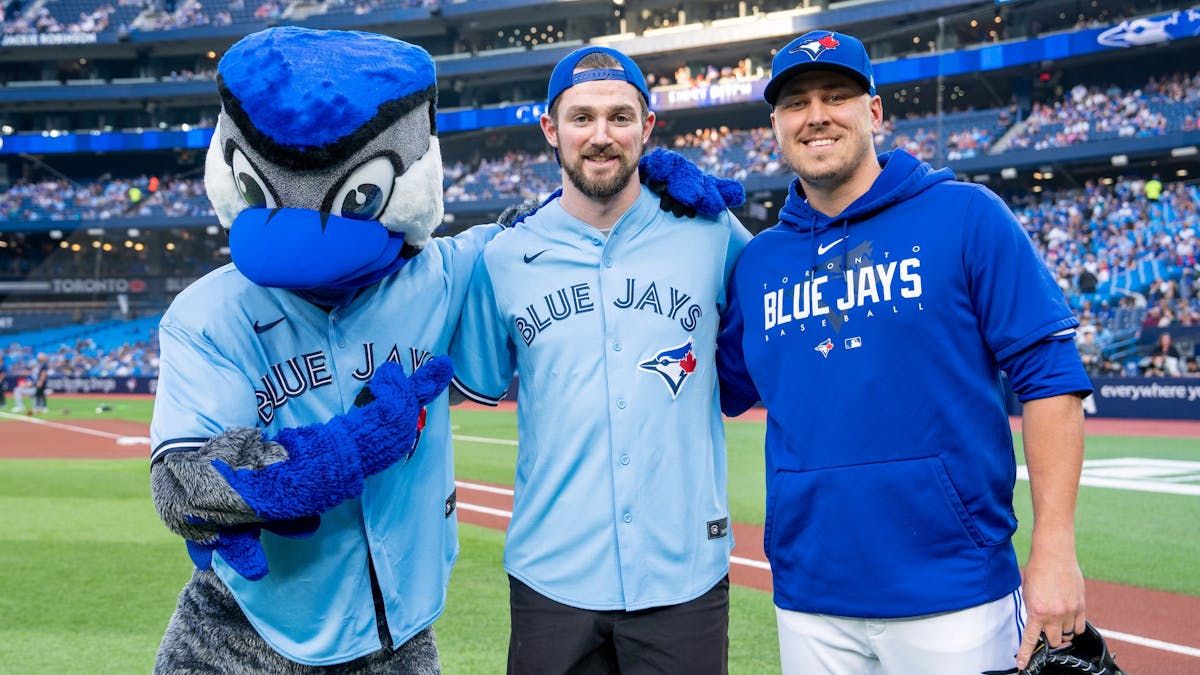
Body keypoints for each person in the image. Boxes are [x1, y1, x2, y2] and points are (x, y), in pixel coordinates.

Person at [716, 30, 1092, 674]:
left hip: (955, 592)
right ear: (775, 126)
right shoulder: (760, 262)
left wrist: (1055, 548)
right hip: (809, 595)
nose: (816, 116)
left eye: (836, 96)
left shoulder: (967, 216)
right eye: (796, 103)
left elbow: (1050, 378)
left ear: (874, 111)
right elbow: (712, 386)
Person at [450, 46, 749, 674]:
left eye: (620, 116)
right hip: (551, 574)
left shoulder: (713, 234)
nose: (601, 135)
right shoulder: (504, 257)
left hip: (682, 574)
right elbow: (478, 383)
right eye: (581, 117)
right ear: (550, 129)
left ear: (648, 126)